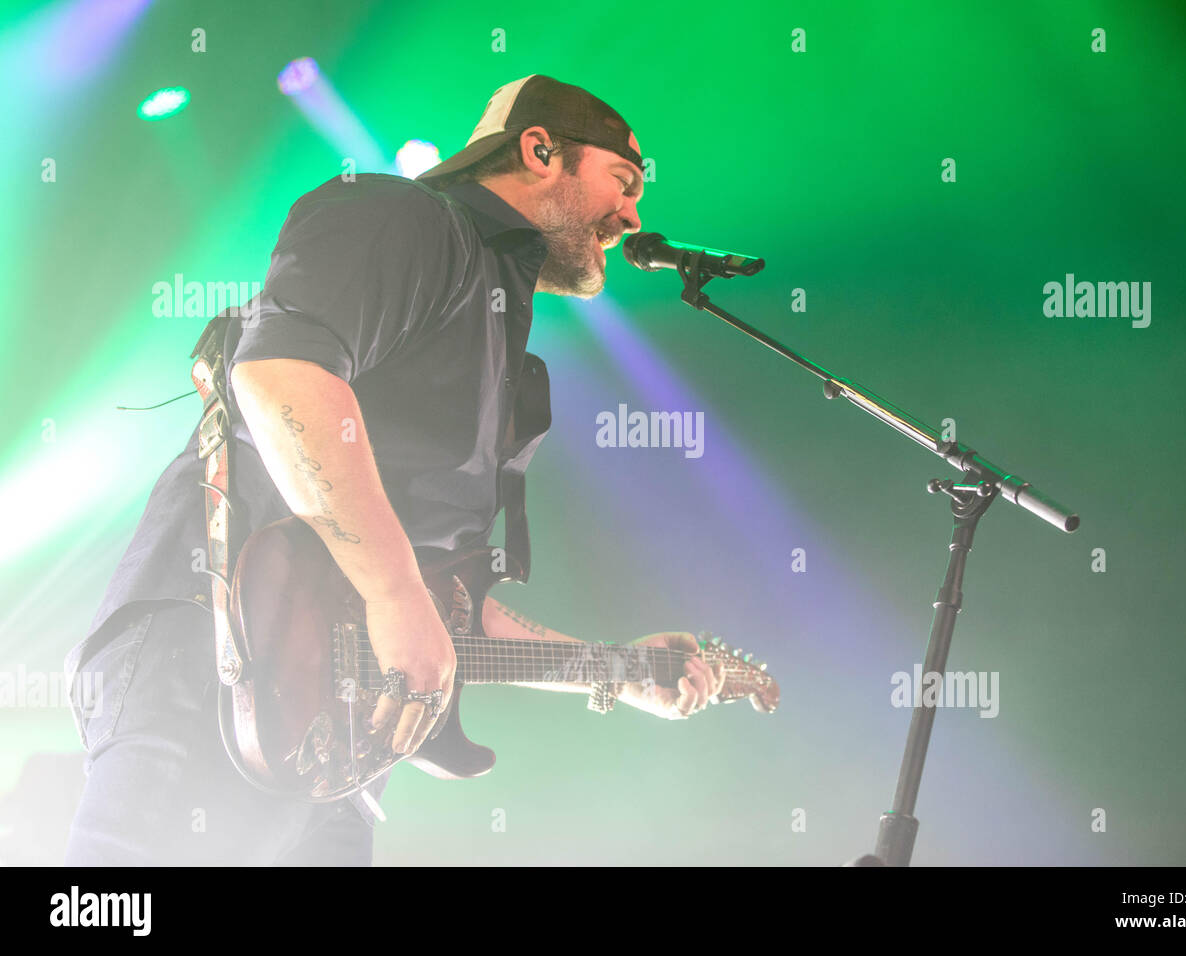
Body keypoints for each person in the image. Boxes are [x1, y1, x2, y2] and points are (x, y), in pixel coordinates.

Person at [63, 75, 724, 866]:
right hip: (210, 649)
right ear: (540, 150)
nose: (633, 216)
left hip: (337, 736)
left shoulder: (507, 353)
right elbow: (281, 375)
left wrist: (616, 670)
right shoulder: (402, 216)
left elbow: (442, 602)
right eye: (624, 181)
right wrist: (393, 591)